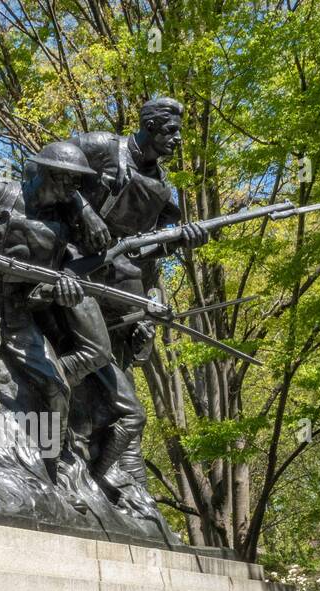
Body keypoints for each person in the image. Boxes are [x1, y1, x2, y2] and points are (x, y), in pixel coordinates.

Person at [0, 141, 114, 478]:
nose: (73, 191)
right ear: (46, 173)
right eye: (67, 181)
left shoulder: (64, 224)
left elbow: (63, 274)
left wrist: (66, 289)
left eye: (76, 184)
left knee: (57, 389)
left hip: (18, 312)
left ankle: (49, 473)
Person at [67, 97, 207, 489]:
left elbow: (148, 249)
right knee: (85, 365)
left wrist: (178, 241)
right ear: (149, 124)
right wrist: (85, 211)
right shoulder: (100, 146)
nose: (177, 139)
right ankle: (72, 457)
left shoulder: (161, 188)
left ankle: (115, 474)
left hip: (119, 284)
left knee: (118, 376)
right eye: (171, 130)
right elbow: (47, 166)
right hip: (72, 267)